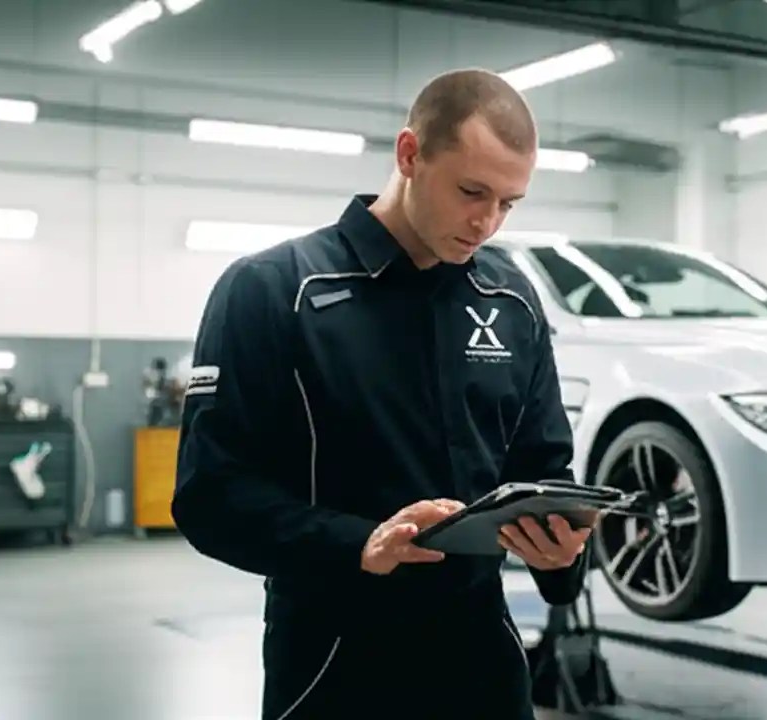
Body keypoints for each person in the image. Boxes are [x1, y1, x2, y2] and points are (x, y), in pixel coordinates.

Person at [171, 68, 592, 719]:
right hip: (334, 665)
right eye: (471, 191)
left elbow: (540, 469)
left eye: (509, 203)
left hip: (484, 668)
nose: (487, 221)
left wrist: (560, 553)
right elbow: (210, 496)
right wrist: (359, 543)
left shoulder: (511, 300)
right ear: (409, 155)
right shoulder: (274, 289)